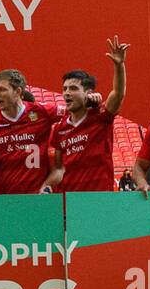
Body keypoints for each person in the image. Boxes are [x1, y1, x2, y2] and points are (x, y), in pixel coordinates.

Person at [42, 40, 129, 193]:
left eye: (73, 88)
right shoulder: (59, 129)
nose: (67, 93)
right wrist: (46, 186)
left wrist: (119, 65)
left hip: (99, 197)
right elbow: (59, 169)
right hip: (70, 199)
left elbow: (118, 93)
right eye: (65, 89)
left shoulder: (101, 116)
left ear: (88, 93)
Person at [0, 69, 62, 195]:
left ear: (18, 91)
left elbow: (76, 111)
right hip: (7, 199)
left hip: (39, 197)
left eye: (2, 90)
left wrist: (92, 100)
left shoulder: (42, 111)